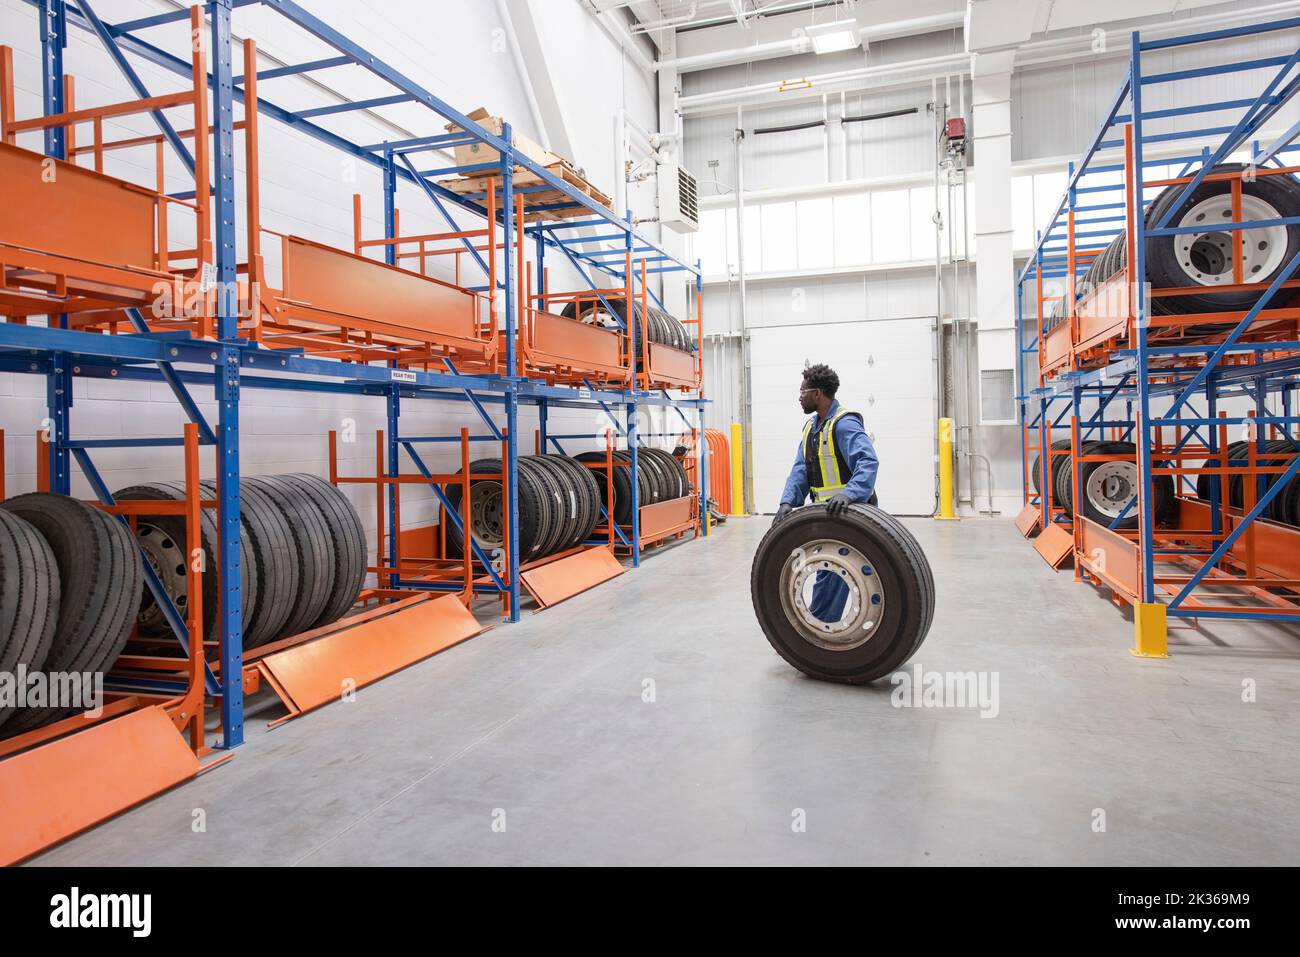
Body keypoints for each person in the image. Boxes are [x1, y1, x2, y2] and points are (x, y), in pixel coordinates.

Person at [771, 363, 879, 622]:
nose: (799, 397)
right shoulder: (811, 428)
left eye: (803, 392)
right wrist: (787, 502)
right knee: (826, 570)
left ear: (818, 394)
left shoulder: (844, 424)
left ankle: (818, 629)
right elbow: (800, 469)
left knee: (834, 574)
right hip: (826, 513)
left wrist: (849, 493)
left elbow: (868, 461)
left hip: (850, 511)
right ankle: (817, 628)